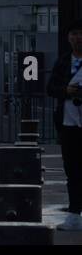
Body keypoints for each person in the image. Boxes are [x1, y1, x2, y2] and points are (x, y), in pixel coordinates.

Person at [47, 20, 82, 231]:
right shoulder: (62, 62)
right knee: (72, 169)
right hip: (68, 124)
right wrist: (66, 91)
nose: (78, 38)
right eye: (74, 34)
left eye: (81, 34)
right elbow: (50, 88)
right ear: (69, 38)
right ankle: (74, 213)